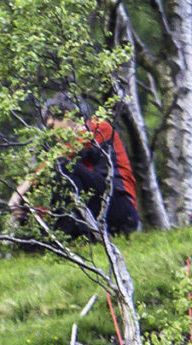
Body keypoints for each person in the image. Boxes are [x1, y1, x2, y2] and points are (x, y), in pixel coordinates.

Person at [9, 94, 139, 240]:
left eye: (52, 126)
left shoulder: (99, 127)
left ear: (67, 115)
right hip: (97, 212)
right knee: (30, 233)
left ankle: (67, 236)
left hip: (122, 211)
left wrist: (22, 189)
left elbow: (60, 158)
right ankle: (66, 236)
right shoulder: (71, 154)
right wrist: (28, 211)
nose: (52, 134)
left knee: (61, 166)